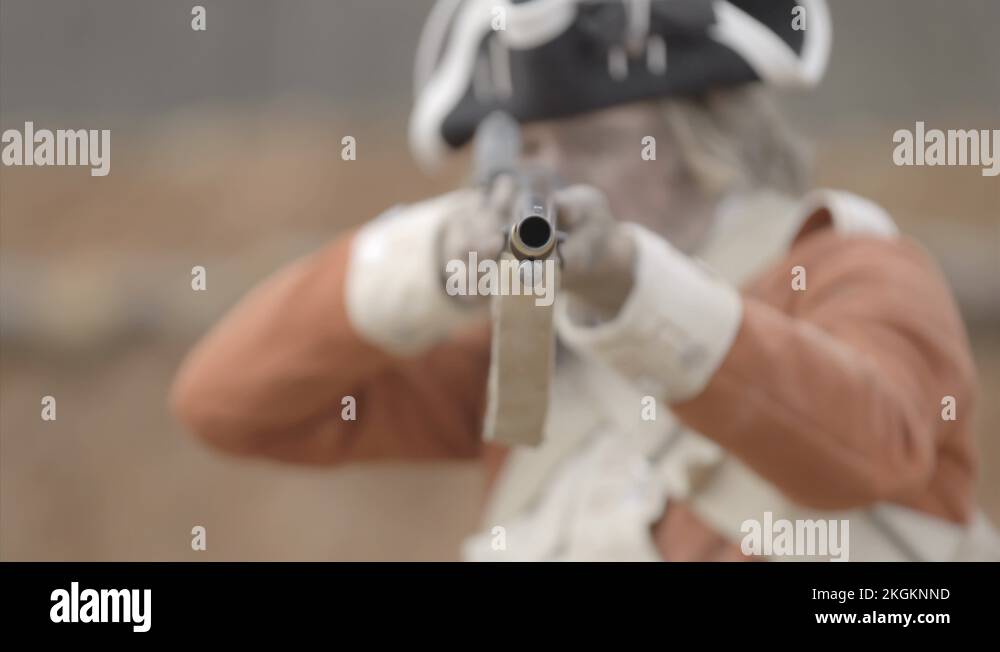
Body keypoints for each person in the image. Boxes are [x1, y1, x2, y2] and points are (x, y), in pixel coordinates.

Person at [170, 0, 1000, 561]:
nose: (557, 175)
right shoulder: (529, 339)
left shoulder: (850, 269)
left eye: (597, 144)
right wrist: (432, 262)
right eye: (532, 149)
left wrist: (633, 289)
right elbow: (226, 403)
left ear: (704, 140)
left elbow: (863, 449)